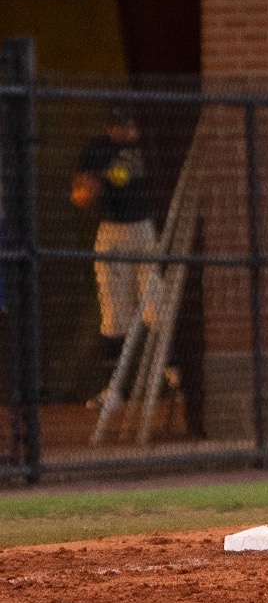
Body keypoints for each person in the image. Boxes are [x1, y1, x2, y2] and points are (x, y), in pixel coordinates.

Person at [71, 108, 159, 412]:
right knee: (114, 310)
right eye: (116, 125)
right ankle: (114, 388)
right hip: (112, 232)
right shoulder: (99, 148)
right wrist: (90, 188)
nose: (120, 131)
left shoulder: (149, 142)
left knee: (155, 305)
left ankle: (172, 375)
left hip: (146, 229)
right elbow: (79, 196)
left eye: (126, 124)